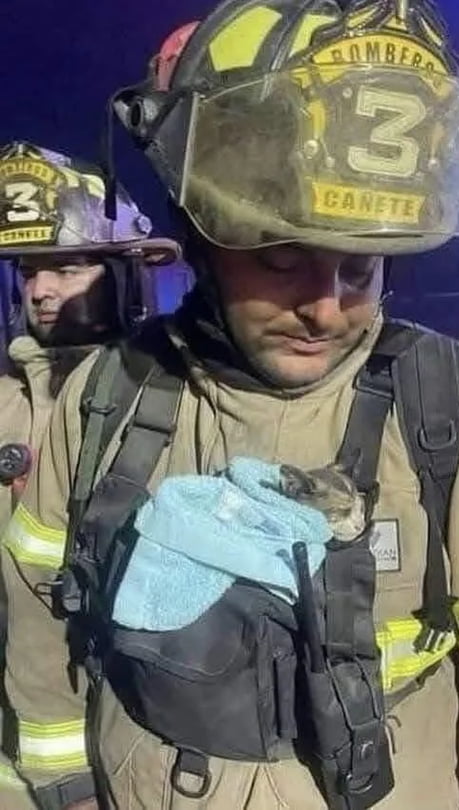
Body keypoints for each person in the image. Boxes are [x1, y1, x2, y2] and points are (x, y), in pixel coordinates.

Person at [3, 3, 459, 810]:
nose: (325, 307)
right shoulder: (107, 395)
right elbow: (38, 601)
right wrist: (64, 784)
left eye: (361, 270)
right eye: (283, 261)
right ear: (205, 239)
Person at [0, 140, 179, 808]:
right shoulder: (3, 401)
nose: (39, 289)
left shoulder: (171, 397)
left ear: (125, 273)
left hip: (145, 739)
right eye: (27, 271)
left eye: (65, 267)